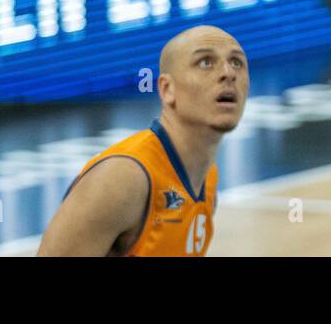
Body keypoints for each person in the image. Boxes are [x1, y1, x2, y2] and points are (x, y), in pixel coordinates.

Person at [38, 26, 247, 256]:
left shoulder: (207, 177)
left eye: (236, 62)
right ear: (167, 89)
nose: (228, 73)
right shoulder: (123, 178)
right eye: (205, 62)